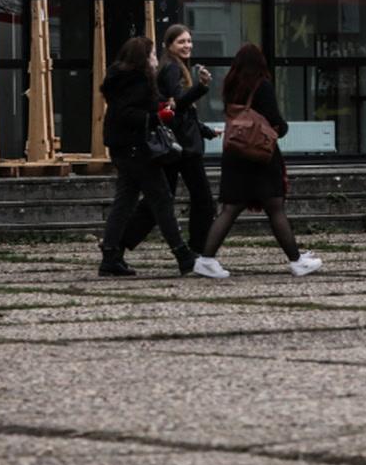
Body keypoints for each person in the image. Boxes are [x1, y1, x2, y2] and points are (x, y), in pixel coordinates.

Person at [192, 44, 321, 279]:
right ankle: (297, 261)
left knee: (230, 208)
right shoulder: (262, 86)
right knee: (275, 206)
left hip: (235, 154)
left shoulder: (231, 87)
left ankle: (206, 259)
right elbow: (276, 122)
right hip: (260, 157)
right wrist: (283, 128)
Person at [96, 35, 202, 278]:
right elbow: (129, 113)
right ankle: (183, 255)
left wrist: (173, 102)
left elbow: (141, 107)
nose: (156, 60)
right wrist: (156, 117)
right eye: (152, 55)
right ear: (143, 58)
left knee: (124, 202)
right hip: (137, 149)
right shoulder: (138, 81)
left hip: (123, 148)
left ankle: (111, 255)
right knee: (161, 199)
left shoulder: (121, 80)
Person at [116, 24, 217, 258]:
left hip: (177, 145)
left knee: (159, 200)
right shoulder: (172, 69)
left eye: (189, 41)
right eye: (181, 42)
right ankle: (198, 249)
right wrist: (202, 87)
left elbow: (180, 111)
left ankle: (120, 242)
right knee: (201, 199)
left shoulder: (171, 66)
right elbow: (176, 104)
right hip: (182, 148)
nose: (187, 46)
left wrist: (205, 130)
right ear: (169, 45)